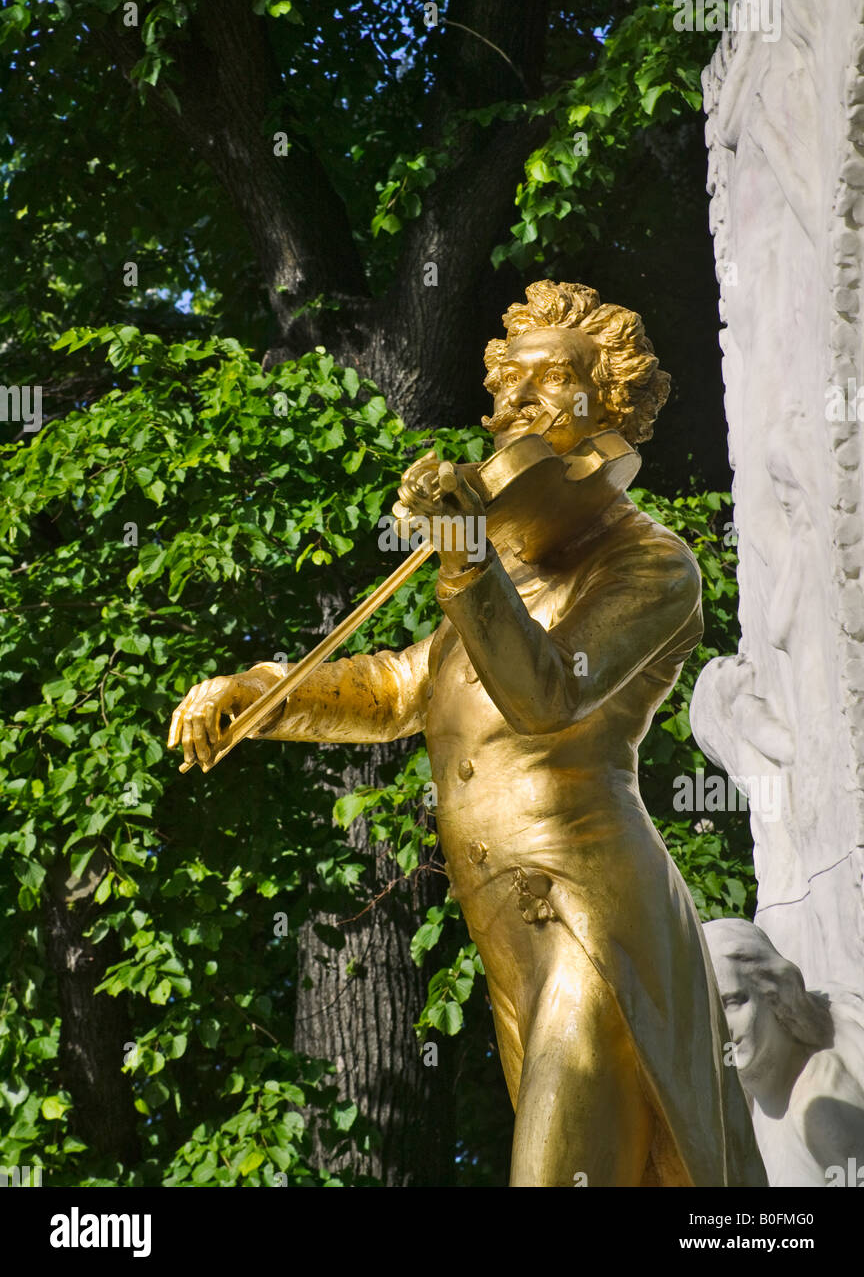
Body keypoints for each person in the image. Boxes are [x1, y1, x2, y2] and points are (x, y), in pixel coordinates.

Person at [169, 280, 766, 1187]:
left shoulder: (648, 563)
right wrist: (257, 692)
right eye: (502, 390)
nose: (507, 412)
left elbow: (548, 695)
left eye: (542, 387)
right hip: (505, 937)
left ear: (605, 401)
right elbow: (397, 687)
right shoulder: (507, 559)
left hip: (588, 914)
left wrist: (465, 561)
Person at [704, 917, 864, 1186]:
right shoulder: (741, 1089)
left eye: (731, 1003)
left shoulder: (819, 1106)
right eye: (707, 1011)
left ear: (773, 994)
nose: (721, 1028)